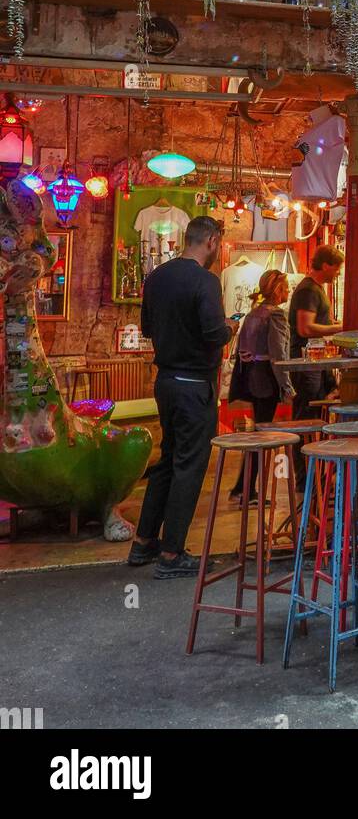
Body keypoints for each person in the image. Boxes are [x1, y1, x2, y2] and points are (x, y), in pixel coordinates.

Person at [128, 215, 237, 578]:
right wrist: (230, 328)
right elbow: (213, 333)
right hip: (194, 385)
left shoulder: (156, 276)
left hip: (166, 382)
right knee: (189, 466)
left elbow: (146, 327)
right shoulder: (206, 281)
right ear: (211, 242)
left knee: (169, 459)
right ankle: (172, 554)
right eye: (218, 244)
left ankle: (144, 542)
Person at [226, 269, 294, 505]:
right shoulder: (276, 316)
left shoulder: (254, 313)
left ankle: (241, 488)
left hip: (250, 376)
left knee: (258, 433)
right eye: (285, 287)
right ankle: (246, 491)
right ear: (277, 290)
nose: (288, 291)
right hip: (266, 379)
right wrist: (287, 386)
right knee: (261, 435)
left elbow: (241, 351)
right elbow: (279, 355)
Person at [288, 244, 344, 482]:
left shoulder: (314, 289)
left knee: (313, 413)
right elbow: (305, 328)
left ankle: (313, 474)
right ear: (326, 265)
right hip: (306, 361)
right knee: (306, 416)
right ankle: (305, 476)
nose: (338, 273)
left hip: (314, 361)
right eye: (337, 268)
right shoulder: (308, 290)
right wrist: (342, 327)